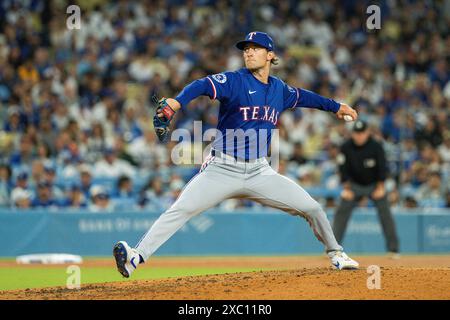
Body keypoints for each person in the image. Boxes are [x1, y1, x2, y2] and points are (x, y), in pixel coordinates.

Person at [113, 31, 360, 277]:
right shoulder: (235, 80)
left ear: (270, 55)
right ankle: (135, 257)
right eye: (246, 48)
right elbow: (201, 85)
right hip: (222, 169)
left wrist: (336, 106)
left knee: (313, 208)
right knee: (180, 209)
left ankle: (336, 254)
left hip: (260, 172)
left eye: (255, 48)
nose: (249, 52)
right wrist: (176, 103)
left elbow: (306, 97)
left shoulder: (279, 90)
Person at [333, 120, 400, 256]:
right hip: (353, 186)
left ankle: (393, 249)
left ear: (367, 132)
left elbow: (382, 167)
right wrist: (346, 187)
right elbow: (342, 167)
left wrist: (381, 186)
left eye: (362, 133)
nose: (359, 136)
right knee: (341, 212)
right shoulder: (346, 147)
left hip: (374, 185)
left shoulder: (376, 146)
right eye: (356, 133)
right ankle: (333, 249)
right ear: (352, 134)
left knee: (385, 213)